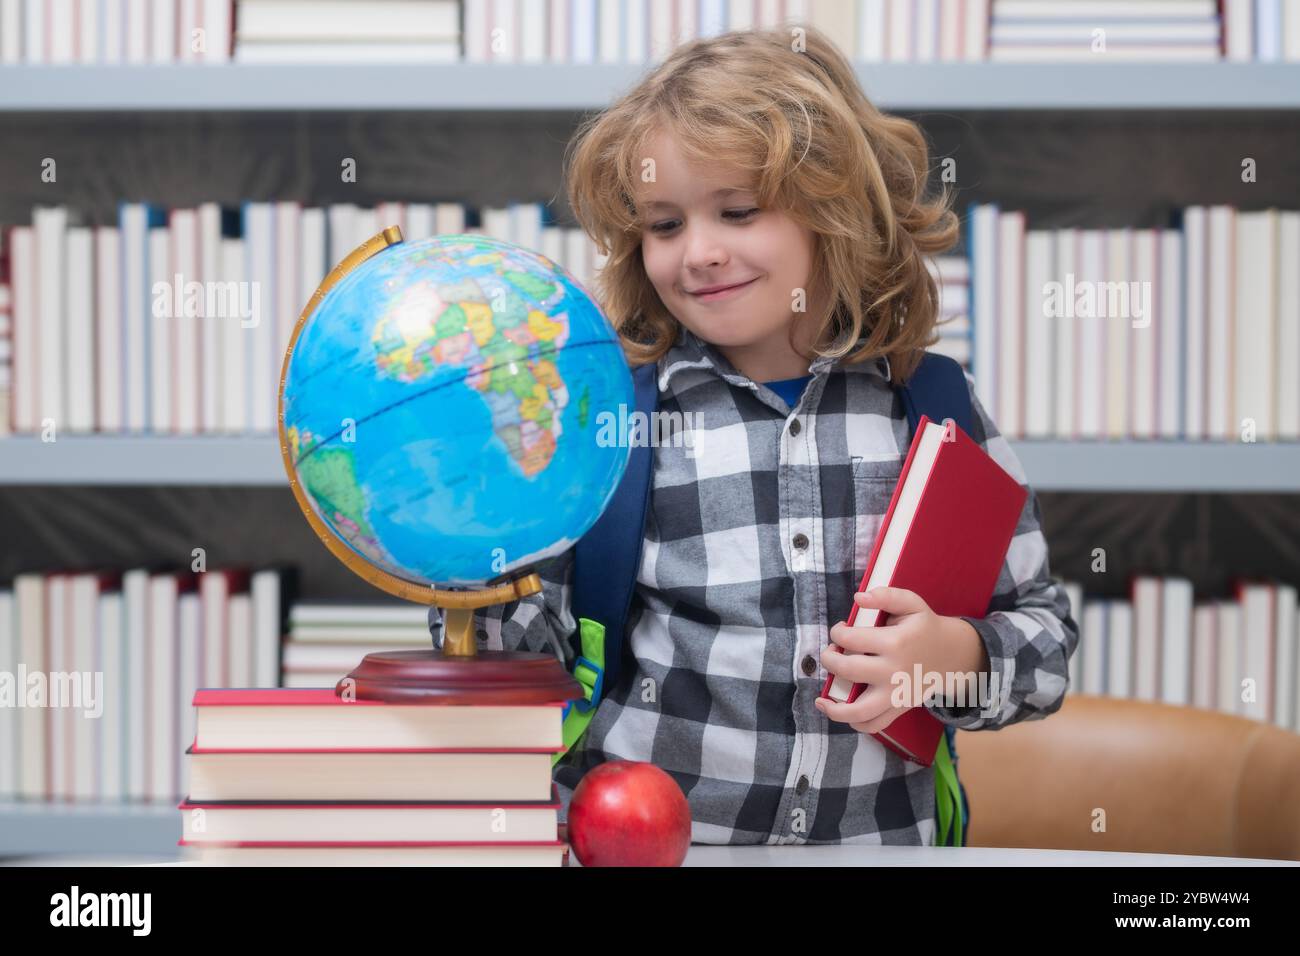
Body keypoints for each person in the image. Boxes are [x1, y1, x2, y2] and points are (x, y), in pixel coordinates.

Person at [430, 25, 1079, 845]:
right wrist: (472, 552)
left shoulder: (937, 410)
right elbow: (523, 671)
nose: (698, 253)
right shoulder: (613, 422)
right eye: (664, 225)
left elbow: (1046, 644)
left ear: (837, 214)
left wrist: (954, 655)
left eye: (737, 211)